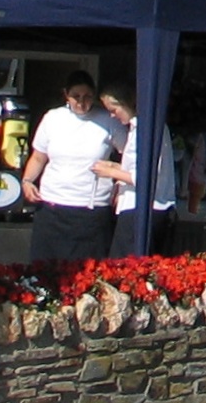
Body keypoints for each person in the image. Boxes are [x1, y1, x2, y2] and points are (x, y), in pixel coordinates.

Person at [22, 72, 119, 263]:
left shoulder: (107, 120)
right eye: (76, 97)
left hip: (91, 211)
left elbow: (130, 154)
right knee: (46, 272)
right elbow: (39, 157)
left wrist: (117, 178)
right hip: (52, 208)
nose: (82, 103)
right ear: (66, 94)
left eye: (88, 97)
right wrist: (27, 181)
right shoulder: (52, 118)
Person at [98, 87, 179, 257]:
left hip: (139, 209)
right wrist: (115, 167)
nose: (113, 116)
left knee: (127, 267)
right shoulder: (145, 129)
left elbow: (144, 177)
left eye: (114, 110)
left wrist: (110, 173)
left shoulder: (145, 130)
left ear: (126, 104)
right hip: (150, 208)